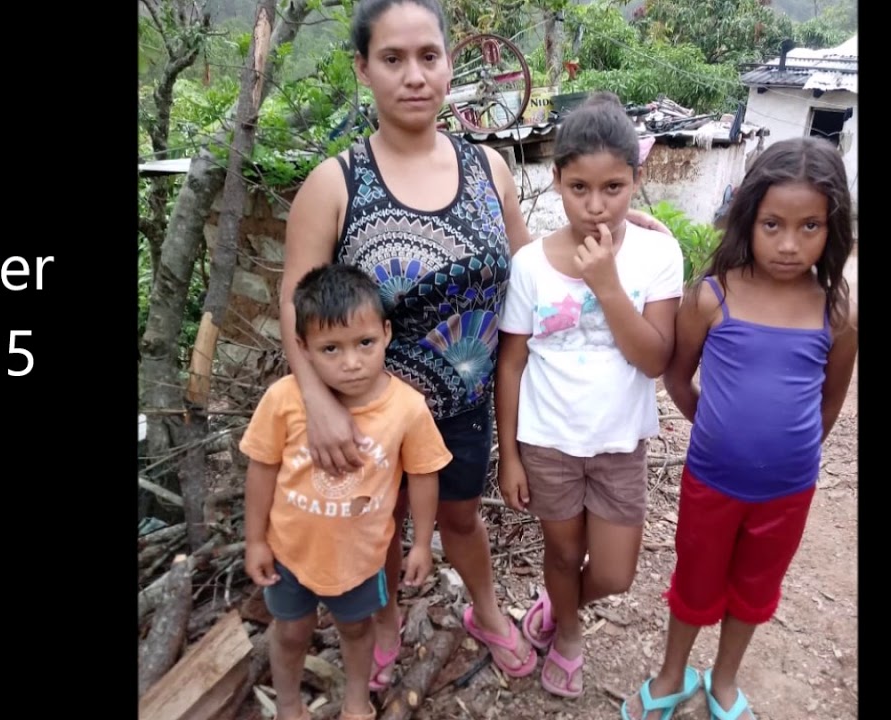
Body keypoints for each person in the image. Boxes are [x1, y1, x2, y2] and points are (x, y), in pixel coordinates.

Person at [276, 0, 674, 689]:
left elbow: (532, 266)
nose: (413, 76)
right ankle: (387, 618)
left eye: (428, 57)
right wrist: (317, 400)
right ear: (362, 70)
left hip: (463, 402)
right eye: (392, 59)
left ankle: (487, 612)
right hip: (367, 406)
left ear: (449, 66)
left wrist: (618, 218)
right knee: (378, 522)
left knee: (459, 516)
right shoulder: (335, 183)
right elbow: (295, 299)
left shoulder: (487, 168)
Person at [620, 135, 859, 720]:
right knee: (694, 580)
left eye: (810, 227)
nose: (788, 243)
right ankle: (674, 674)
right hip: (712, 481)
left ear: (833, 230)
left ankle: (723, 681)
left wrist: (788, 449)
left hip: (788, 490)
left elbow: (829, 403)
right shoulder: (712, 296)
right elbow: (678, 378)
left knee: (755, 591)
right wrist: (719, 430)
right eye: (773, 224)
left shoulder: (837, 311)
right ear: (749, 217)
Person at [494, 91, 684, 700]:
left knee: (614, 571)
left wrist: (606, 283)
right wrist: (511, 455)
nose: (596, 206)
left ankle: (558, 604)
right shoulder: (530, 265)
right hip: (547, 440)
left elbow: (654, 358)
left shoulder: (658, 253)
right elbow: (513, 362)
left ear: (636, 179)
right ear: (555, 181)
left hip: (619, 441)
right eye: (579, 188)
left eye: (614, 188)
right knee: (562, 548)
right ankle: (568, 635)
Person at [240, 263, 452, 720]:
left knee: (356, 631)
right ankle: (290, 704)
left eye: (365, 343)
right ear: (303, 348)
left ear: (386, 333)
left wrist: (419, 544)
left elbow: (423, 474)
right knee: (291, 631)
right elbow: (261, 469)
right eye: (330, 348)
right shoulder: (284, 400)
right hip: (289, 555)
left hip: (362, 559)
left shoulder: (407, 409)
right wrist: (255, 539)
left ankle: (356, 701)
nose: (351, 362)